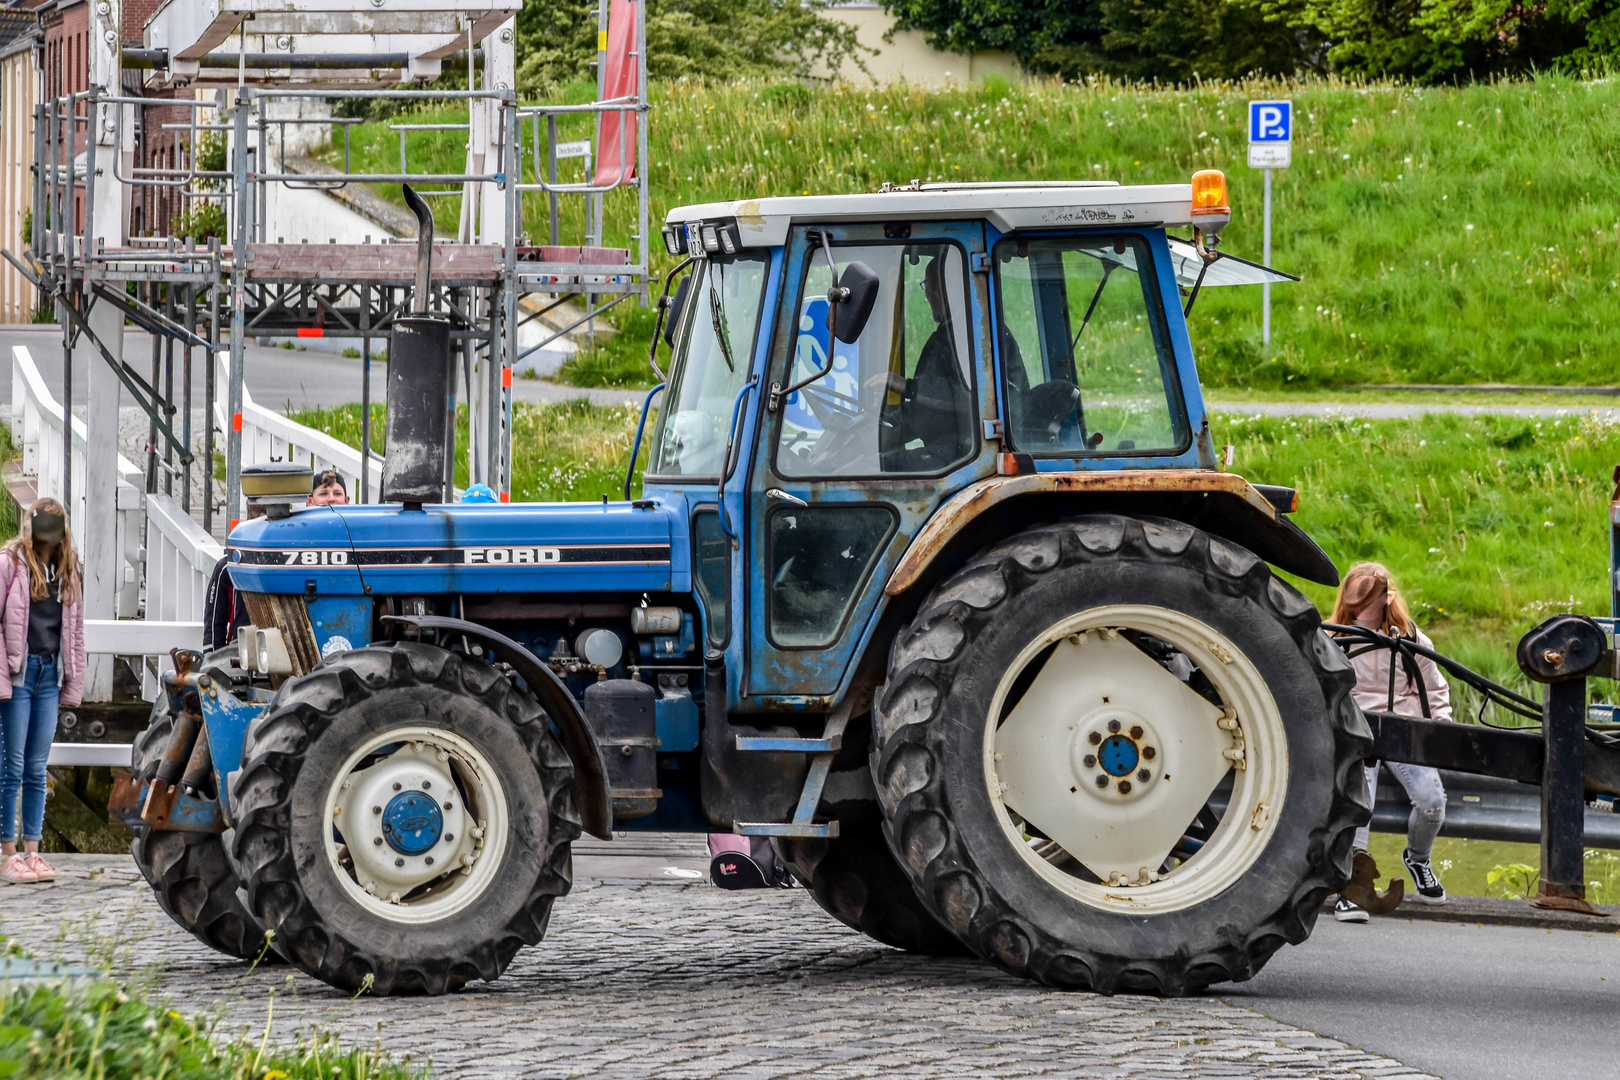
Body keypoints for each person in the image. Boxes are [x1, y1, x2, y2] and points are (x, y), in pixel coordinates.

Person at [1332, 562, 1450, 921]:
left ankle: (1418, 859)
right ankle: (1352, 886)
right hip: (1356, 731)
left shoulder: (1410, 638)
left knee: (1432, 802)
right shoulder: (1333, 639)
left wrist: (1442, 727)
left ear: (1384, 599)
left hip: (1402, 729)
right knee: (1359, 803)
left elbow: (1434, 687)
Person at [0, 500, 86, 884]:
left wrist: (73, 684)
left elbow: (76, 631)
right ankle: (8, 852)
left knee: (36, 768)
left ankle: (33, 852)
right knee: (12, 767)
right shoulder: (10, 564)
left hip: (49, 674)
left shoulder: (68, 570)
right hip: (19, 675)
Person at [201, 502, 265, 651]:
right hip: (240, 652)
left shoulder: (291, 564)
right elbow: (214, 621)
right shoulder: (228, 567)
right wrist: (213, 657)